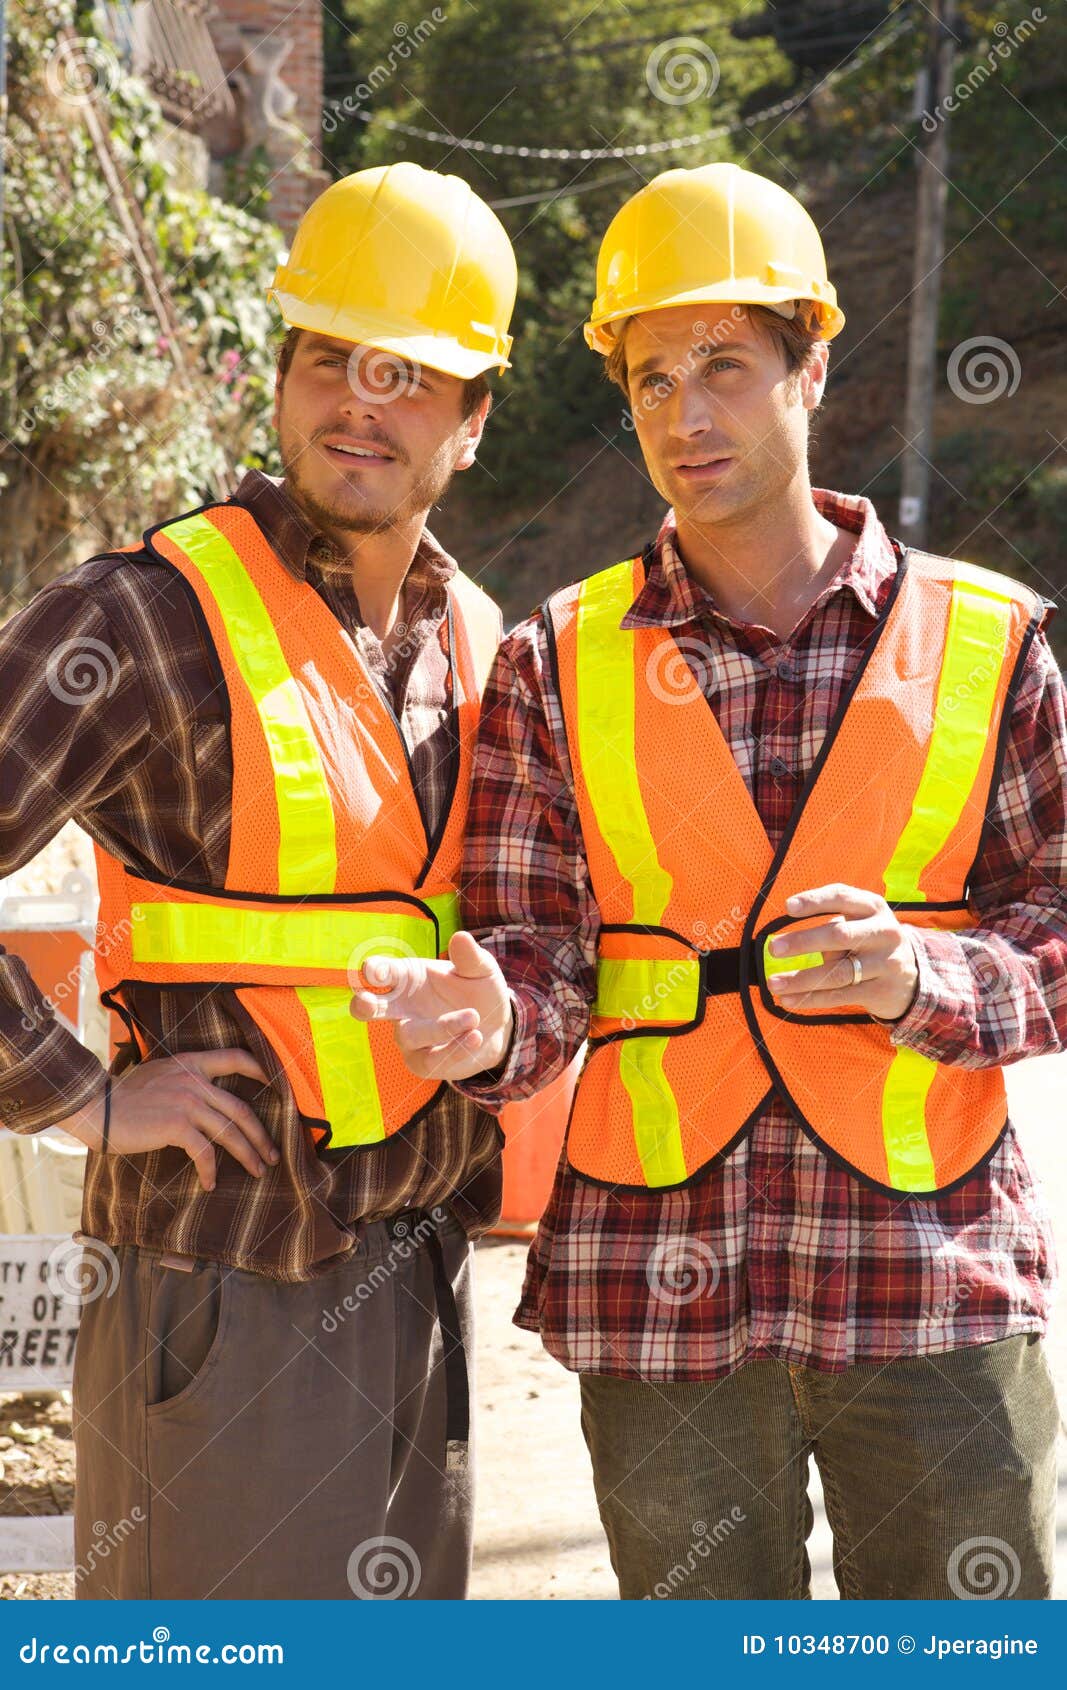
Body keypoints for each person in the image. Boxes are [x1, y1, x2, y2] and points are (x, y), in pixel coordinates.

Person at [352, 162, 1066, 1601]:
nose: (685, 414)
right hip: (657, 1286)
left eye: (726, 367)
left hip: (927, 1276)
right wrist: (494, 1024)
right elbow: (533, 956)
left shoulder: (990, 642)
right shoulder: (558, 658)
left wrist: (933, 977)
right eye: (652, 375)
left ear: (813, 365)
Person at [0, 161, 517, 1599]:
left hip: (416, 1278)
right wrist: (78, 1093)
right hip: (220, 1288)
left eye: (410, 376)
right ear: (280, 378)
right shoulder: (144, 615)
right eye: (329, 361)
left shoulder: (479, 644)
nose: (361, 400)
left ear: (472, 424)